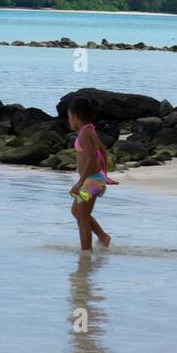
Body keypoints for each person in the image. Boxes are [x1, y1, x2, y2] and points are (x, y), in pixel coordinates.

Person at [67, 97, 115, 251]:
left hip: (91, 181)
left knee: (82, 218)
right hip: (95, 179)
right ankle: (103, 237)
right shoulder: (89, 130)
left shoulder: (85, 134)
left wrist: (81, 182)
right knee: (77, 211)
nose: (69, 121)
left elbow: (94, 156)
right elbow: (102, 151)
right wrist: (104, 174)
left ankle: (85, 254)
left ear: (75, 116)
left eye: (69, 117)